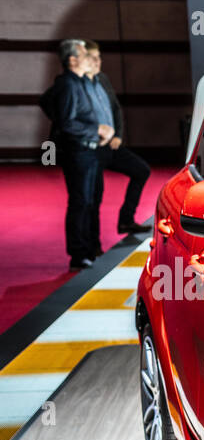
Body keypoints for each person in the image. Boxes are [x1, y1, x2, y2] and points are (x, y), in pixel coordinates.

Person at [43, 38, 111, 270]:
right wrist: (96, 129)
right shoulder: (69, 84)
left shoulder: (82, 82)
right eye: (84, 55)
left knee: (90, 201)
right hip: (78, 151)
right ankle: (78, 253)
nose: (89, 60)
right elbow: (66, 122)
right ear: (72, 60)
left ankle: (90, 247)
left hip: (90, 150)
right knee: (81, 202)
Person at [83, 40, 151, 236]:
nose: (98, 61)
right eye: (93, 58)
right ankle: (92, 247)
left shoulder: (102, 79)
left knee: (141, 170)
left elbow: (115, 108)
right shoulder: (77, 84)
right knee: (94, 197)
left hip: (110, 146)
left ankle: (126, 220)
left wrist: (118, 135)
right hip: (90, 148)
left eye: (99, 57)